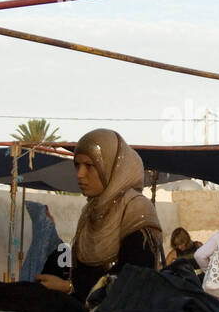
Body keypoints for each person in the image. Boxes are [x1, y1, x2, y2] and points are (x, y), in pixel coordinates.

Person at [35, 129, 162, 301]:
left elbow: (134, 278)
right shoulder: (89, 213)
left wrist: (69, 287)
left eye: (89, 166)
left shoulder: (136, 209)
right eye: (77, 165)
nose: (79, 174)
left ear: (111, 168)